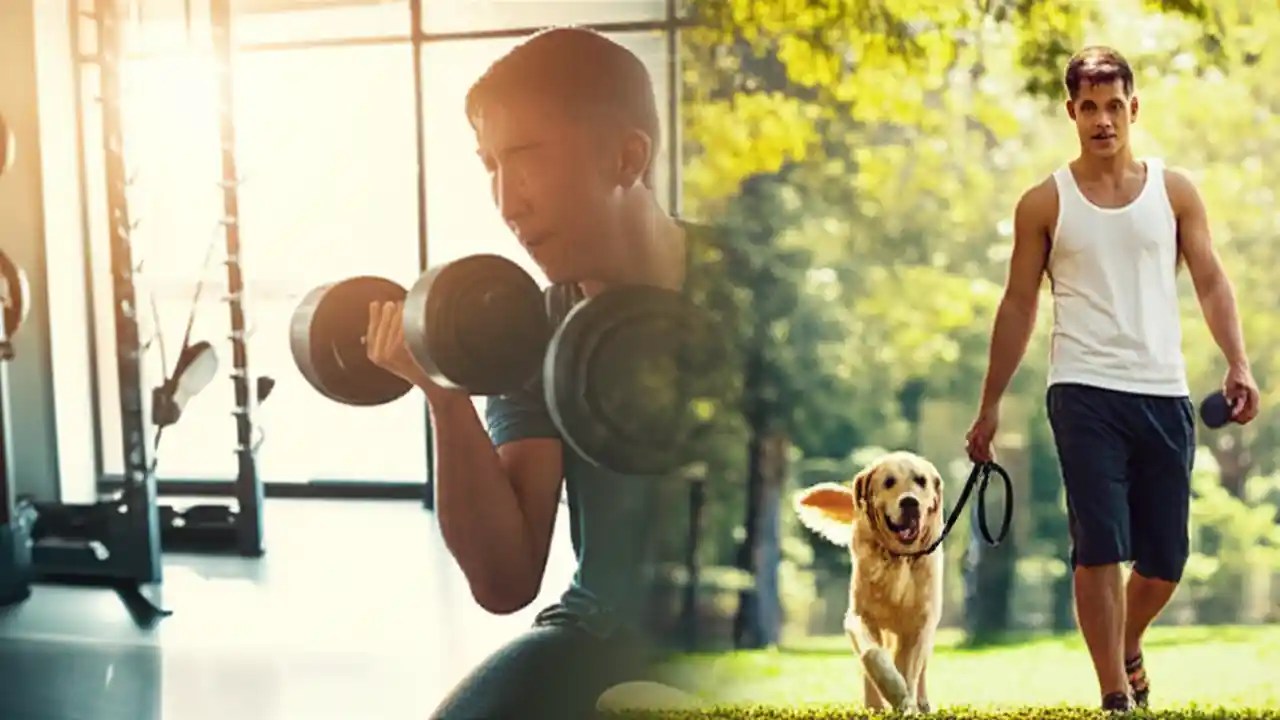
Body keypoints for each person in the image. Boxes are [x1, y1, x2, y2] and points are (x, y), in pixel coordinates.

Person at [363, 27, 721, 720]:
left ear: (626, 156)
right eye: (489, 165)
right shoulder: (535, 334)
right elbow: (505, 580)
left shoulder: (759, 287)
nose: (507, 200)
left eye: (523, 156)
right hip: (601, 629)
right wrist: (445, 395)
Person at [964, 46, 1260, 712]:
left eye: (1114, 106)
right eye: (1089, 107)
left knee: (1165, 561)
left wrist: (1237, 360)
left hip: (1163, 389)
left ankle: (1126, 641)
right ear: (1071, 112)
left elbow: (1211, 279)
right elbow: (1017, 305)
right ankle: (1114, 695)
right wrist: (990, 406)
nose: (1103, 120)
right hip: (1081, 388)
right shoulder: (1044, 203)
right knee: (1099, 542)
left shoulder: (1175, 191)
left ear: (1134, 108)